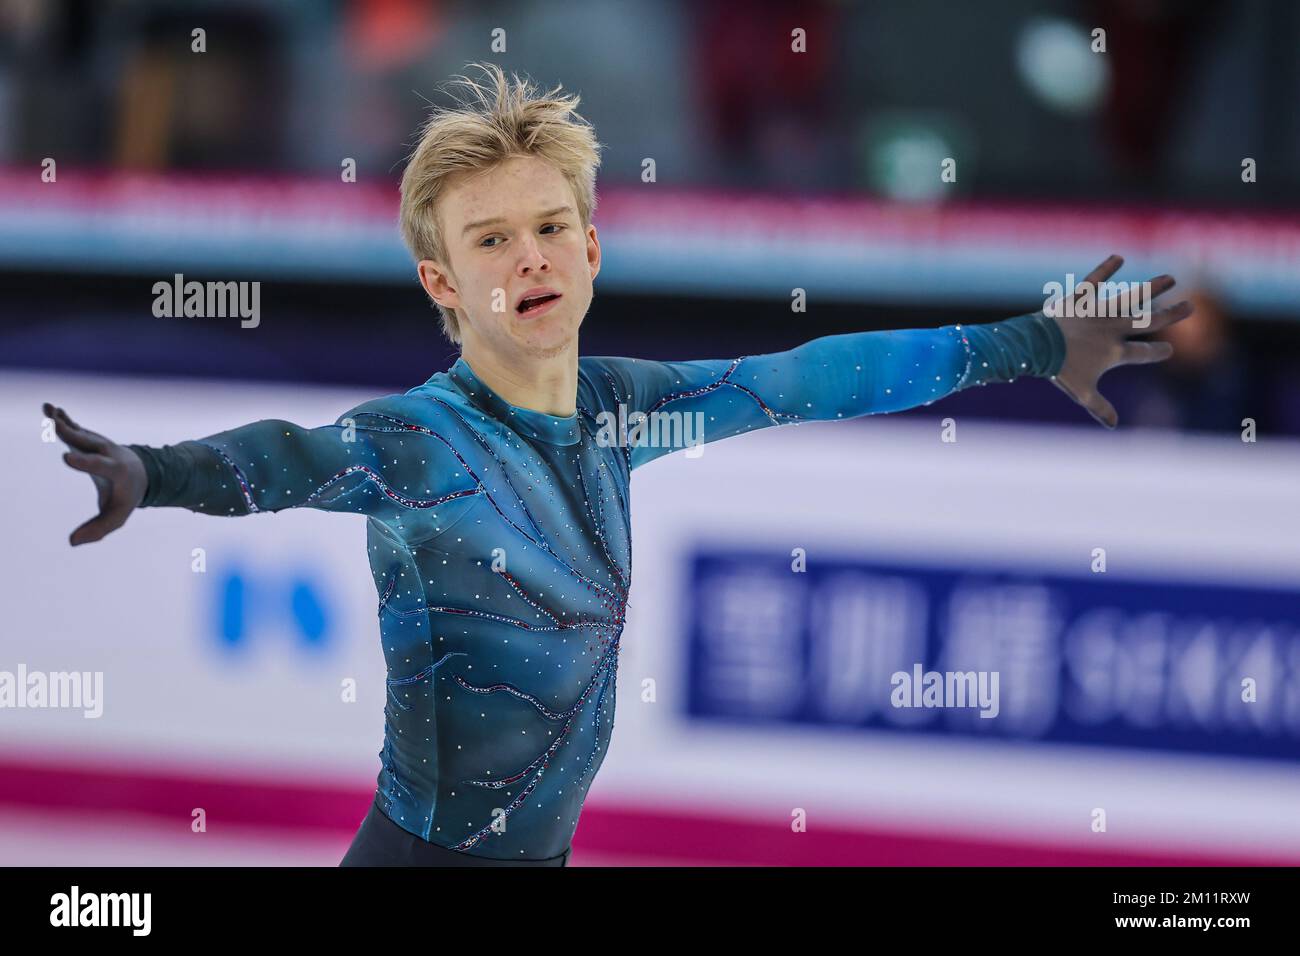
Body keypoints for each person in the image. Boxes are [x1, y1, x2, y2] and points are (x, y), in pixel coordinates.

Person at [44, 62, 1192, 866]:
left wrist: (1035, 339)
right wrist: (151, 470)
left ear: (591, 249)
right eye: (489, 241)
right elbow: (285, 457)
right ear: (443, 283)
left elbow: (819, 373)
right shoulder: (418, 440)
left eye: (549, 227)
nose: (528, 257)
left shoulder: (626, 412)